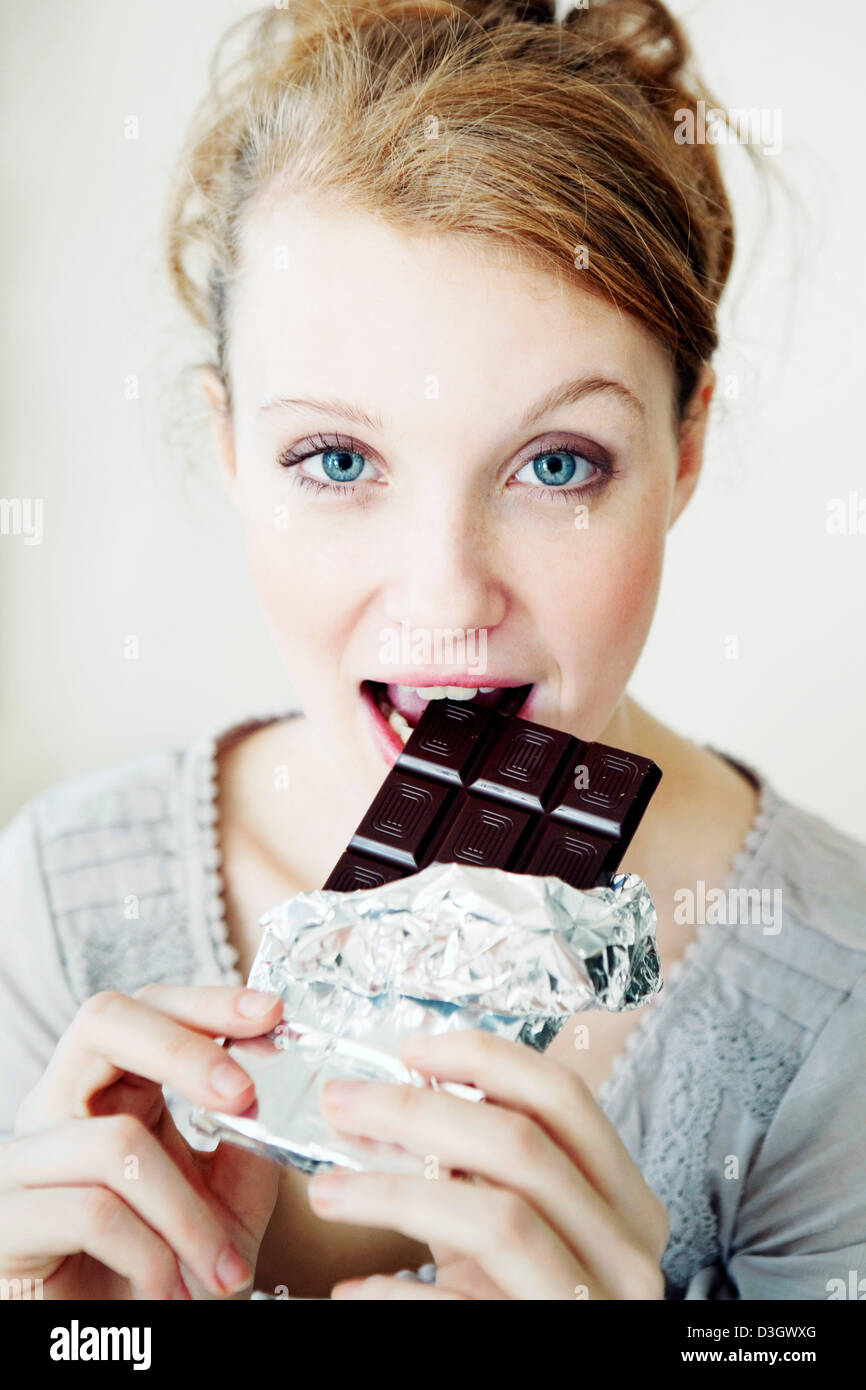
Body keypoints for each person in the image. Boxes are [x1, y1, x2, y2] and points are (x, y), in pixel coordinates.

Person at [1, 0, 864, 1302]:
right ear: (231, 447)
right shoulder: (56, 914)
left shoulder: (832, 999)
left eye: (554, 463)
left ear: (682, 451)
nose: (446, 597)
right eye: (337, 459)